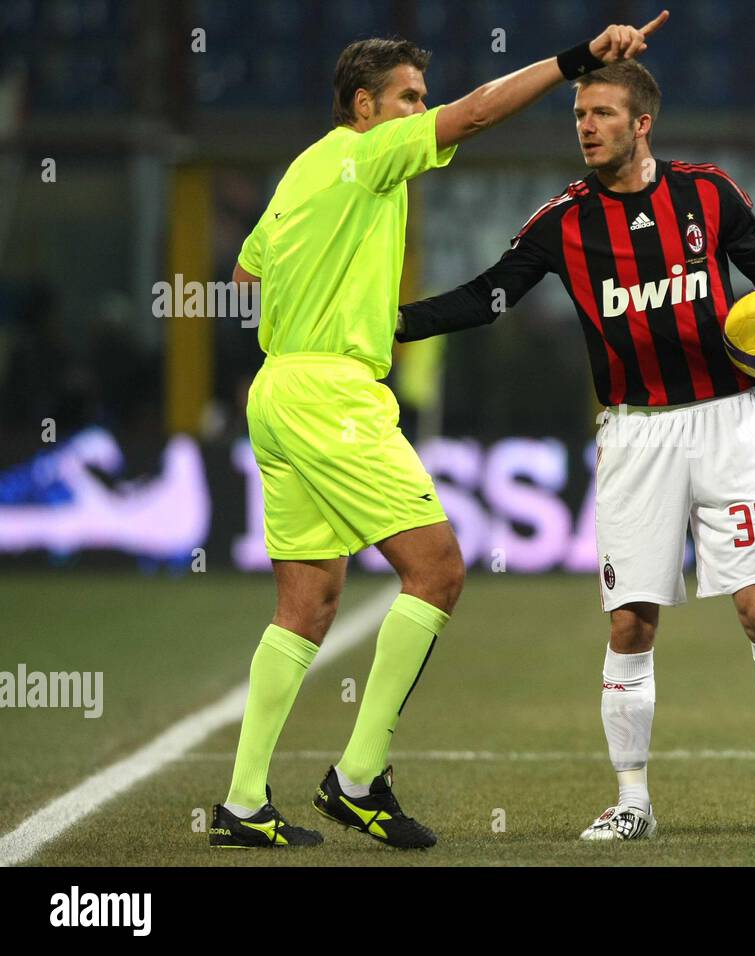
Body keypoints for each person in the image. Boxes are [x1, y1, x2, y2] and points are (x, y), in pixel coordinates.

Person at [209, 13, 671, 851]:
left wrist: (313, 304)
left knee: (306, 602)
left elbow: (243, 276)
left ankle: (243, 803)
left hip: (278, 389)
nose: (422, 110)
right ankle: (356, 780)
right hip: (332, 392)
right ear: (364, 106)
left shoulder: (305, 172)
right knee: (438, 570)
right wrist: (577, 62)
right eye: (407, 99)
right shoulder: (366, 152)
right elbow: (479, 112)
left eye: (421, 96)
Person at [398, 59, 755, 841]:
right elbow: (488, 295)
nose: (586, 126)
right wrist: (389, 323)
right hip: (634, 432)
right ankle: (632, 801)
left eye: (602, 113)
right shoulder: (564, 220)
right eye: (579, 115)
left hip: (726, 422)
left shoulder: (709, 193)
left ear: (643, 123)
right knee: (631, 624)